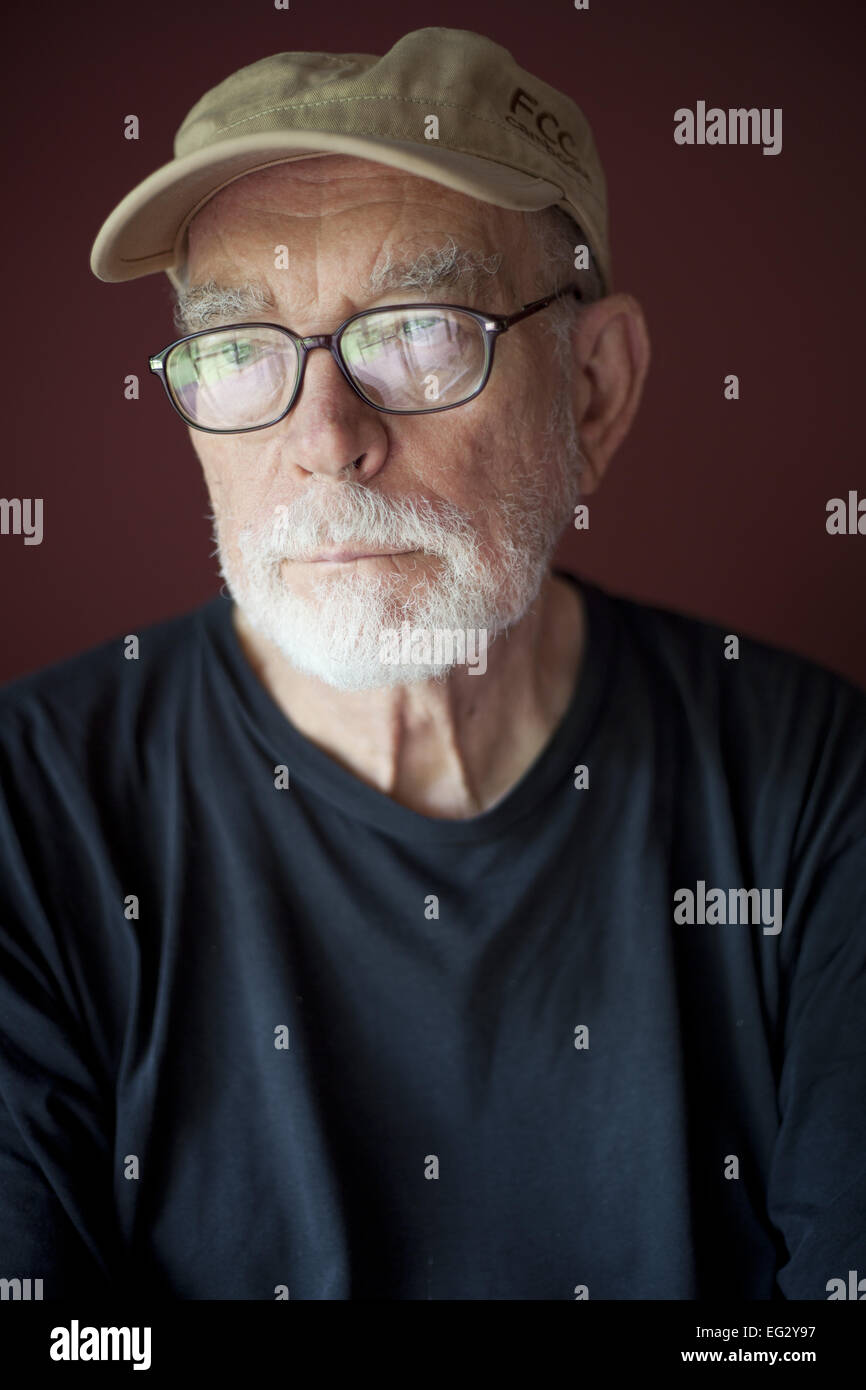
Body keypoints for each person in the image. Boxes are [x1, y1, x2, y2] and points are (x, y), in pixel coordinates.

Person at [1, 26, 863, 1303]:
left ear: (592, 389)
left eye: (414, 332)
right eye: (239, 347)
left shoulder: (815, 787)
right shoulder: (29, 813)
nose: (324, 438)